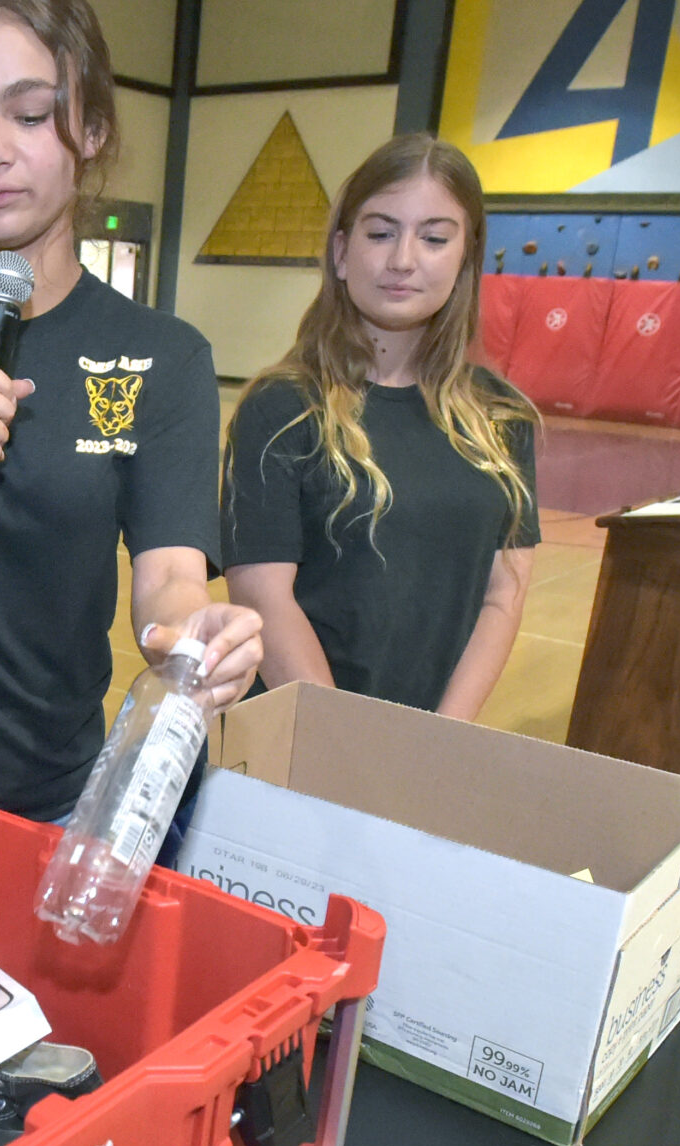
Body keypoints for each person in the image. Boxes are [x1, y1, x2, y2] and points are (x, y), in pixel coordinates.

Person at [0, 0, 261, 822]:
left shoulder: (162, 357)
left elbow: (173, 575)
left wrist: (195, 638)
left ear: (94, 128)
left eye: (31, 115)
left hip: (47, 804)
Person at [218, 134, 538, 720]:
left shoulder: (501, 416)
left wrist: (443, 735)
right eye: (381, 232)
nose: (403, 260)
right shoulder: (281, 407)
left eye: (435, 238)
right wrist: (345, 746)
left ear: (466, 257)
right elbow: (263, 593)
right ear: (342, 251)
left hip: (425, 748)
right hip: (301, 734)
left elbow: (502, 595)